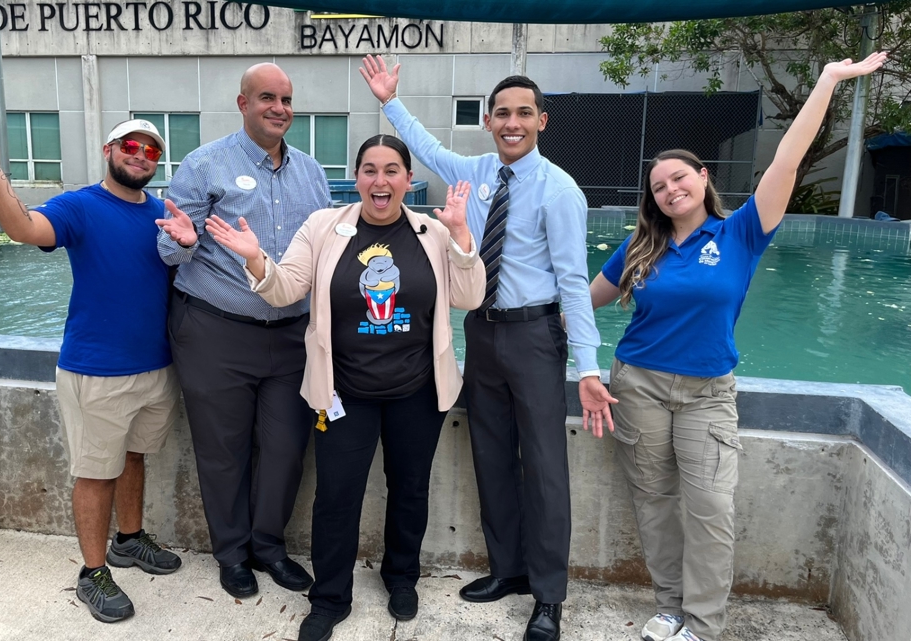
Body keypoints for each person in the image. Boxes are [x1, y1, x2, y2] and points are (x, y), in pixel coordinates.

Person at [588, 52, 888, 641]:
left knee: (710, 511)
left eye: (680, 177)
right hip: (637, 385)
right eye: (659, 185)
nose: (670, 188)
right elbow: (581, 302)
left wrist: (826, 78)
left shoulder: (742, 232)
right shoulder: (639, 248)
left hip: (707, 395)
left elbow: (787, 158)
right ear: (651, 198)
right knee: (653, 503)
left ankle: (702, 624)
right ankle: (670, 606)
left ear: (704, 179)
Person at [359, 55, 615, 641]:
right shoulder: (471, 172)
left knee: (545, 469)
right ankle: (508, 571)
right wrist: (390, 100)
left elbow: (575, 282)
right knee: (491, 455)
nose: (512, 123)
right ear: (488, 119)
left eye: (524, 113)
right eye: (502, 113)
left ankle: (549, 596)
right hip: (483, 332)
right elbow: (421, 147)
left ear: (542, 122)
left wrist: (589, 366)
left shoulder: (560, 190)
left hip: (534, 335)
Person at [205, 134, 484, 641]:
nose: (381, 181)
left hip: (418, 390)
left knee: (410, 490)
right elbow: (286, 287)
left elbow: (469, 295)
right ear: (356, 178)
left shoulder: (433, 231)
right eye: (370, 170)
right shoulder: (324, 227)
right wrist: (254, 257)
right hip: (343, 393)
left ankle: (401, 577)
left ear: (407, 179)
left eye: (392, 170)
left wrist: (462, 236)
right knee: (336, 497)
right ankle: (331, 597)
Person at [0, 109, 184, 623]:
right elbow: (22, 227)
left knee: (134, 457)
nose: (140, 155)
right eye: (130, 146)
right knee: (95, 472)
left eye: (150, 150)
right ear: (109, 151)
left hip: (156, 367)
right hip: (97, 370)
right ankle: (93, 571)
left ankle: (128, 540)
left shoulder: (163, 213)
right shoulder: (81, 206)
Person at [155, 62, 332, 599]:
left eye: (286, 99)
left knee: (285, 448)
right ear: (243, 103)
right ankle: (232, 554)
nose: (279, 108)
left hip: (291, 335)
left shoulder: (312, 171)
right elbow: (168, 249)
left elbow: (327, 249)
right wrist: (186, 240)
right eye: (266, 99)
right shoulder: (204, 165)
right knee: (223, 450)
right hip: (216, 332)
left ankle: (269, 546)